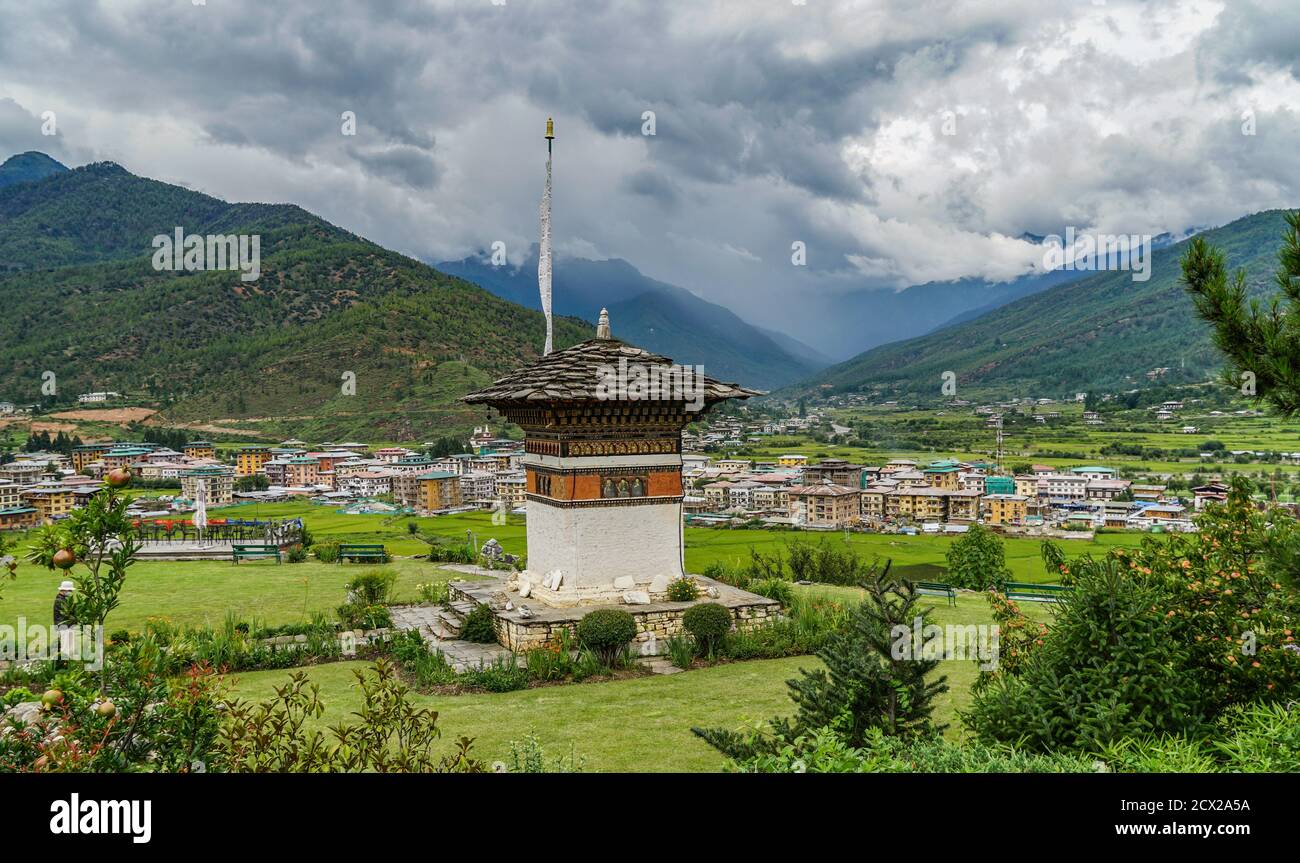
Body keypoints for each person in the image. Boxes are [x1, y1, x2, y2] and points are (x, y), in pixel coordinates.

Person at [53, 580, 75, 665]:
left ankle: (70, 664)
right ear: (64, 590)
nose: (71, 592)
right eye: (70, 591)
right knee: (66, 648)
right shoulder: (59, 601)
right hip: (64, 627)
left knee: (71, 648)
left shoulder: (64, 599)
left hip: (68, 626)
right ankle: (65, 665)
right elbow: (67, 614)